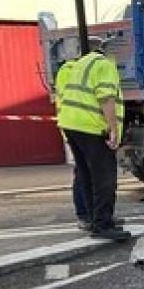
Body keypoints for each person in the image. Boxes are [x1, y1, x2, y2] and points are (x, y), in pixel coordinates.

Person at [56, 37, 130, 241]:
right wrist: (113, 129)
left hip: (71, 125)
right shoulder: (103, 65)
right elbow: (105, 97)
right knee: (104, 178)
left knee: (86, 176)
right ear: (103, 50)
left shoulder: (77, 65)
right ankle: (103, 225)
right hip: (91, 127)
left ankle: (94, 219)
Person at [52, 57, 91, 229]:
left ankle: (88, 215)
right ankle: (85, 215)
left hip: (72, 127)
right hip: (82, 128)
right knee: (84, 172)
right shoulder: (74, 72)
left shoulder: (65, 71)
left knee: (83, 172)